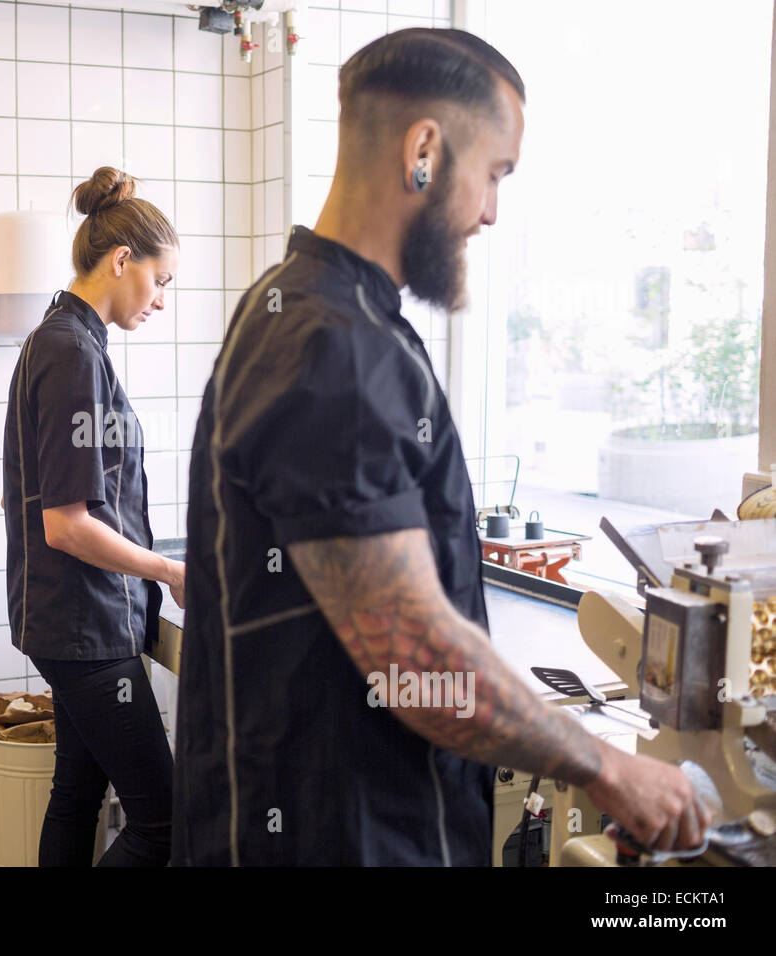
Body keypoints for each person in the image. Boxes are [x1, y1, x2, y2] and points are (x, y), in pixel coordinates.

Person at [172, 28, 708, 865]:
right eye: (493, 174)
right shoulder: (333, 345)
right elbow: (417, 662)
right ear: (424, 149)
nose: (491, 212)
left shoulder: (304, 306)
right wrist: (606, 766)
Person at [1, 166, 183, 866]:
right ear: (121, 260)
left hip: (75, 620)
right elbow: (66, 523)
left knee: (76, 794)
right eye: (160, 281)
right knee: (162, 822)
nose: (161, 301)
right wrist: (166, 569)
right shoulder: (70, 352)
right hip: (84, 626)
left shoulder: (68, 341)